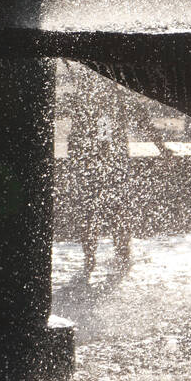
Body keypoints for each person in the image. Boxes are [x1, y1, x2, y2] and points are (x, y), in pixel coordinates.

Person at [66, 68, 133, 277]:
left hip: (88, 162)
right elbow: (104, 121)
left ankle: (91, 259)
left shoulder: (87, 92)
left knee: (91, 212)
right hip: (100, 163)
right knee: (113, 210)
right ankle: (120, 256)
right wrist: (104, 146)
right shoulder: (104, 91)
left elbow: (101, 122)